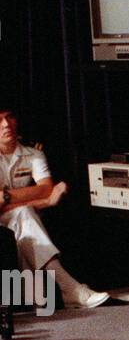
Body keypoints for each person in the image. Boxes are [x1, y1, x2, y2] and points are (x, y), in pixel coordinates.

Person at [0, 106, 108, 310]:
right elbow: (44, 193)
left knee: (23, 225)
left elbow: (46, 188)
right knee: (24, 216)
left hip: (21, 221)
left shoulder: (33, 154)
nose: (6, 124)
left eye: (9, 117)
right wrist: (46, 201)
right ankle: (70, 289)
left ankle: (35, 301)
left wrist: (6, 196)